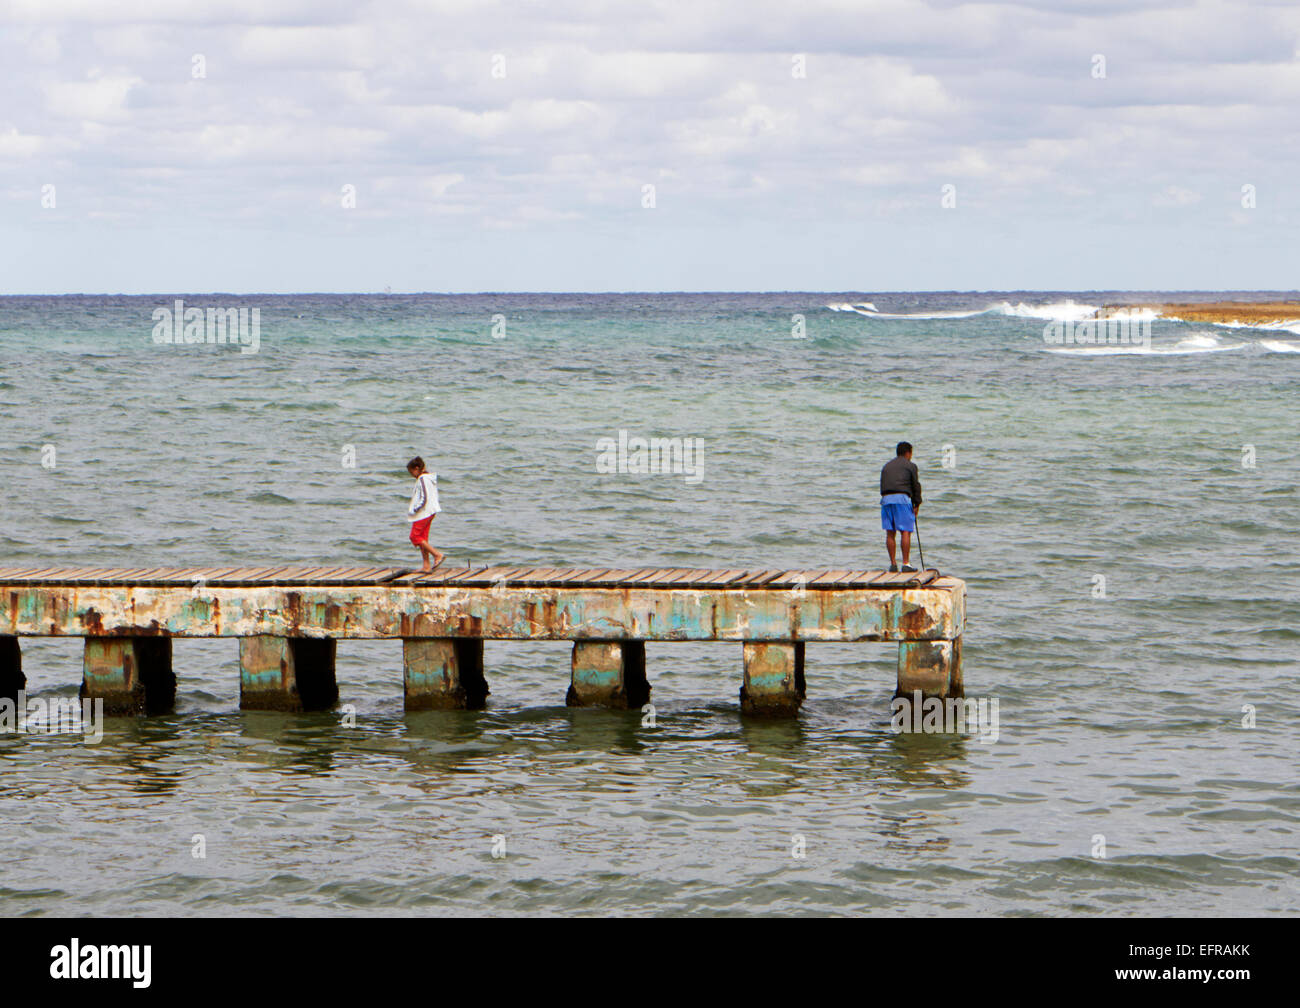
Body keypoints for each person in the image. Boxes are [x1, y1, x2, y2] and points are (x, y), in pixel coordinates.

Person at [880, 441, 921, 573]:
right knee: (905, 531)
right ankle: (905, 563)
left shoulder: (886, 466)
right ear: (908, 453)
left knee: (890, 533)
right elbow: (916, 486)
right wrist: (917, 504)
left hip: (886, 499)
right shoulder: (910, 466)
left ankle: (893, 564)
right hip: (902, 499)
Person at [406, 456, 445, 572]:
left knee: (415, 536)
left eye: (412, 471)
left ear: (417, 468)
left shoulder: (423, 479)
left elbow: (424, 497)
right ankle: (426, 566)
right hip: (430, 511)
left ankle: (437, 555)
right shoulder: (429, 478)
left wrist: (415, 509)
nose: (412, 474)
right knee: (423, 538)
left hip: (424, 512)